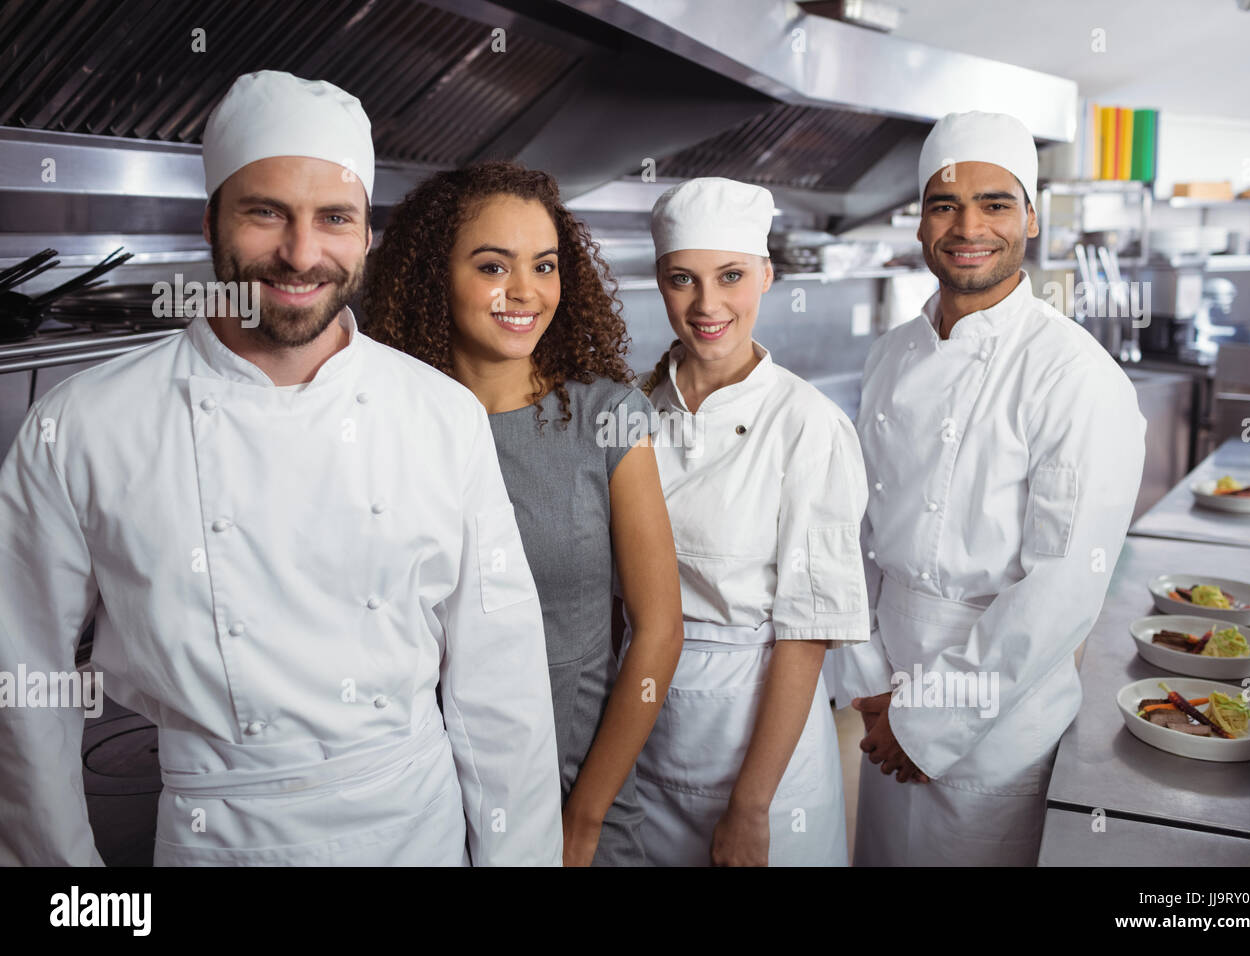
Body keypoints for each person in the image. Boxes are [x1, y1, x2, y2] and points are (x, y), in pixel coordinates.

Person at [0, 71, 562, 866]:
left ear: (366, 234)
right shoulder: (83, 425)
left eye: (334, 218)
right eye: (266, 212)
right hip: (218, 840)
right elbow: (24, 683)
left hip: (417, 831)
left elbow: (502, 687)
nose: (302, 254)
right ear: (210, 220)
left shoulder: (441, 417)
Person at [842, 110, 1146, 866]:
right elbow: (860, 535)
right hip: (885, 690)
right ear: (919, 222)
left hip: (998, 715)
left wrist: (926, 723)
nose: (966, 226)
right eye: (943, 204)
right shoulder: (891, 355)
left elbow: (1064, 585)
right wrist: (871, 686)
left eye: (995, 204)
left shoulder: (1075, 375)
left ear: (1032, 219)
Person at [362, 161, 683, 866]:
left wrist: (588, 818)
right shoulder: (388, 423)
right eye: (491, 266)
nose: (526, 292)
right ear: (432, 276)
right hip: (421, 800)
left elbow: (658, 630)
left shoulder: (608, 416)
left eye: (544, 265)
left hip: (575, 790)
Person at [634, 177, 872, 866]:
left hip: (764, 760)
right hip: (645, 739)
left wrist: (750, 808)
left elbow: (807, 629)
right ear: (660, 281)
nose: (708, 305)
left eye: (731, 276)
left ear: (766, 277)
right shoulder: (633, 410)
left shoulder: (808, 426)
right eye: (684, 279)